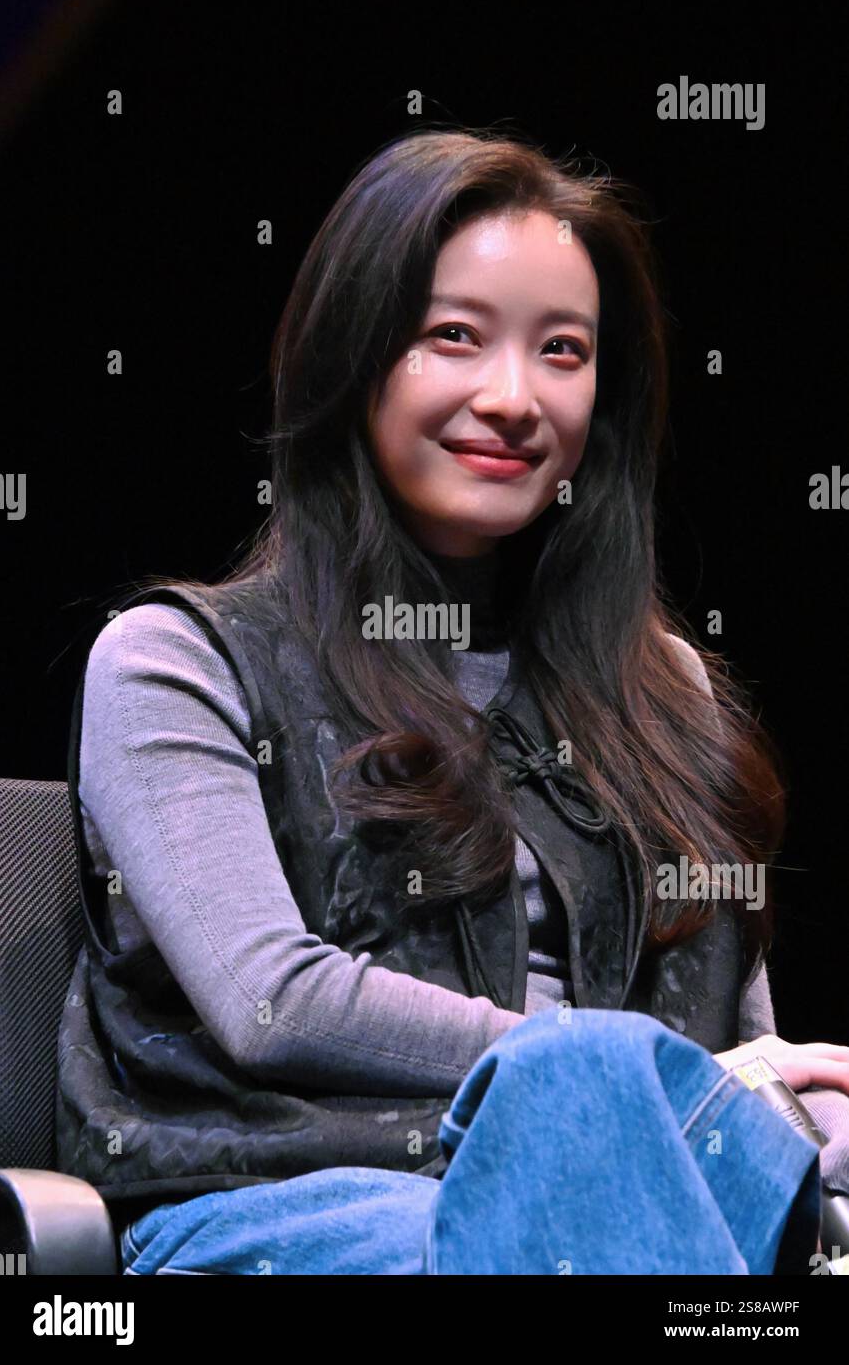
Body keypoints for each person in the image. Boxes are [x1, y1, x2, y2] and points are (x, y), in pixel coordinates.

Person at [56, 126, 849, 1275]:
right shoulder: (177, 662)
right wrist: (620, 1069)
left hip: (647, 1194)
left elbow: (742, 1047)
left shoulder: (660, 691)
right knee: (580, 1101)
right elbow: (268, 1001)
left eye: (563, 351)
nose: (513, 397)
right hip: (298, 1198)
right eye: (454, 338)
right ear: (352, 358)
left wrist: (803, 1120)